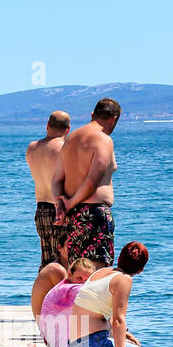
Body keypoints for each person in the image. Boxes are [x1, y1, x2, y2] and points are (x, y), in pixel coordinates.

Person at [68, 241, 164, 347]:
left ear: (120, 258)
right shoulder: (123, 280)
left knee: (131, 346)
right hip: (91, 344)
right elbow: (118, 318)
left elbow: (99, 312)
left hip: (76, 344)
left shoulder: (101, 272)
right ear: (140, 270)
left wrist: (125, 335)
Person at [53, 98, 120, 266]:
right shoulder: (103, 140)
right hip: (95, 214)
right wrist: (68, 204)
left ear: (92, 115)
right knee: (96, 277)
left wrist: (60, 205)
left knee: (77, 273)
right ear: (114, 119)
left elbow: (57, 179)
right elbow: (91, 183)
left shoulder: (70, 139)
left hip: (73, 217)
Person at [27, 111, 71, 267]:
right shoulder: (65, 148)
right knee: (63, 263)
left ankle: (42, 291)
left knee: (46, 263)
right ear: (68, 129)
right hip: (60, 210)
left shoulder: (32, 148)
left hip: (41, 209)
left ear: (47, 126)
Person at [32, 256, 100, 347]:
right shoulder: (70, 289)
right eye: (79, 278)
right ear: (69, 274)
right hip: (66, 346)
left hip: (56, 344)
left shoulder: (62, 286)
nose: (83, 283)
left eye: (87, 279)